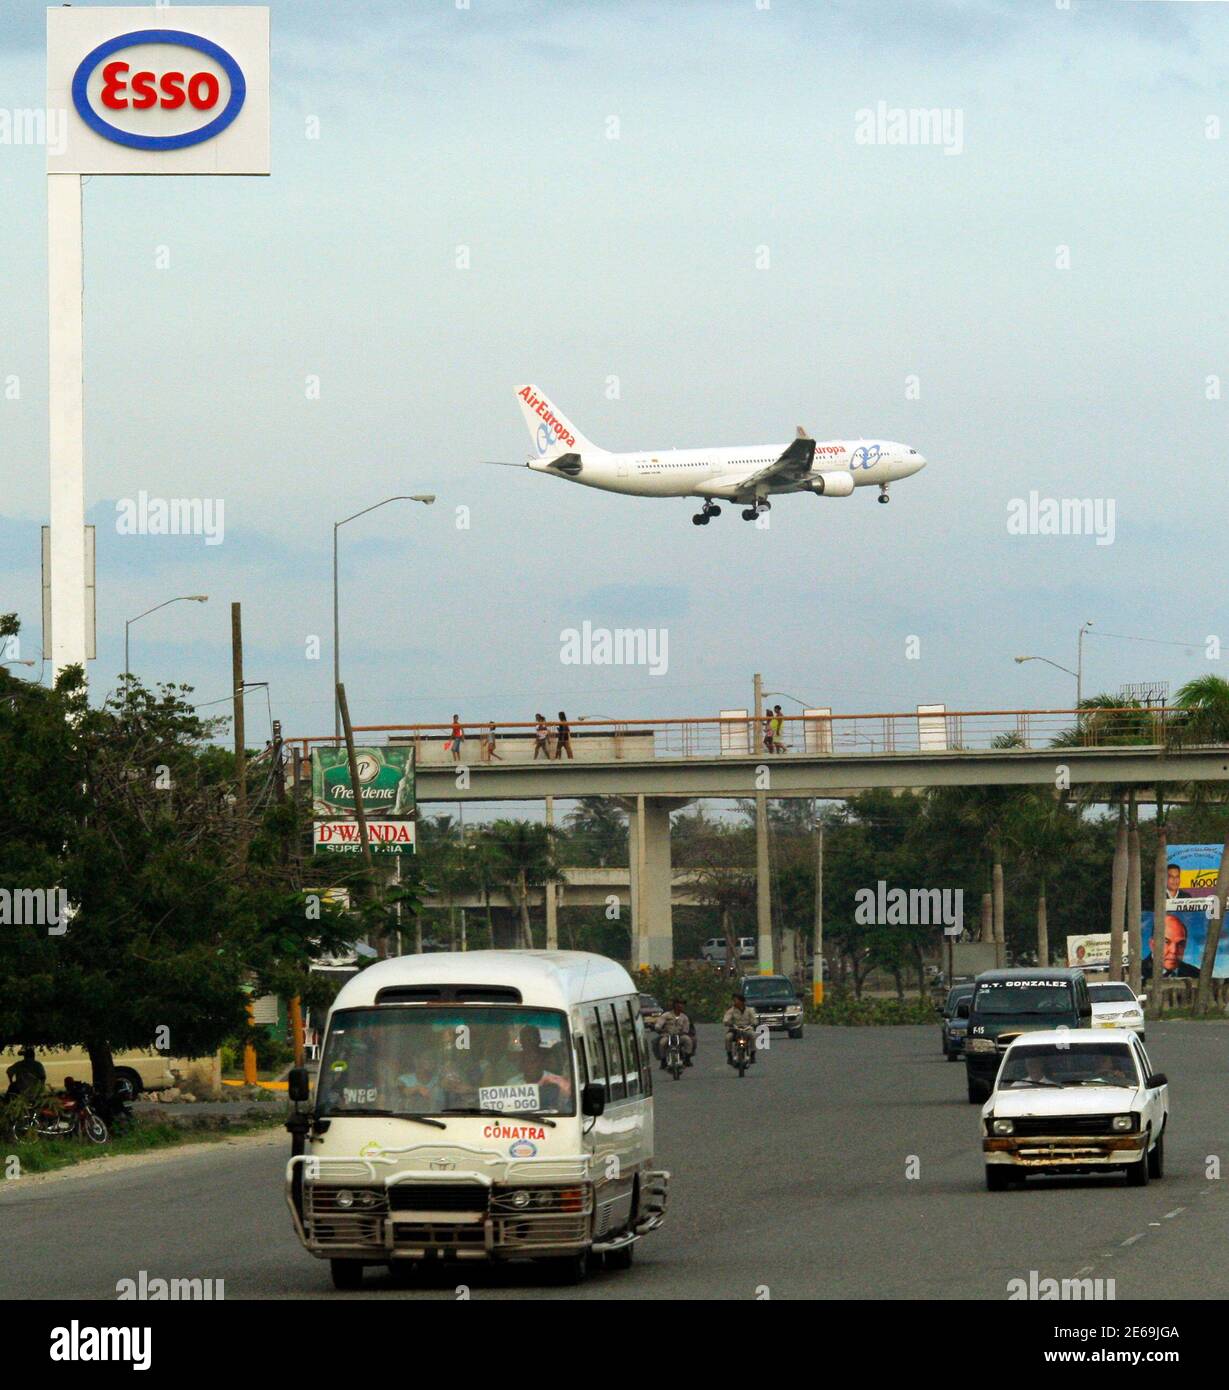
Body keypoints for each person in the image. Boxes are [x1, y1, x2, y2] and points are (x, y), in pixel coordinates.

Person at [509, 1025, 573, 1108]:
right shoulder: (511, 1084)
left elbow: (565, 1105)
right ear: (522, 1065)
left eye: (534, 1061)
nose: (530, 1065)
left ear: (541, 1063)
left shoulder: (558, 1082)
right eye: (527, 1062)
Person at [1142, 914, 1200, 979]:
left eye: (1180, 944)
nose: (1174, 951)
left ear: (1185, 945)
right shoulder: (1134, 973)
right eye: (1166, 942)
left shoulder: (1197, 975)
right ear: (1152, 944)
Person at [654, 999, 695, 1068]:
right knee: (662, 1043)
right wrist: (659, 1028)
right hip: (667, 1035)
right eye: (678, 1004)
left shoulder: (684, 1017)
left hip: (680, 1035)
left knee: (688, 1040)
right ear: (674, 1005)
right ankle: (663, 1061)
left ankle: (687, 1059)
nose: (680, 1006)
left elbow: (686, 1027)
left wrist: (684, 1032)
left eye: (681, 1004)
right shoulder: (666, 1015)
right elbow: (659, 1024)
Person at [723, 992, 759, 1063]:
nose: (734, 1002)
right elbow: (726, 1019)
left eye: (736, 1000)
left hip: (747, 1029)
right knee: (728, 1037)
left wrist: (754, 1023)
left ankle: (752, 1055)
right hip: (735, 1029)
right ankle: (729, 1056)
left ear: (741, 1001)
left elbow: (754, 1020)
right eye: (733, 1000)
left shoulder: (749, 1010)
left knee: (753, 1035)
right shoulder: (731, 1010)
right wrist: (728, 1023)